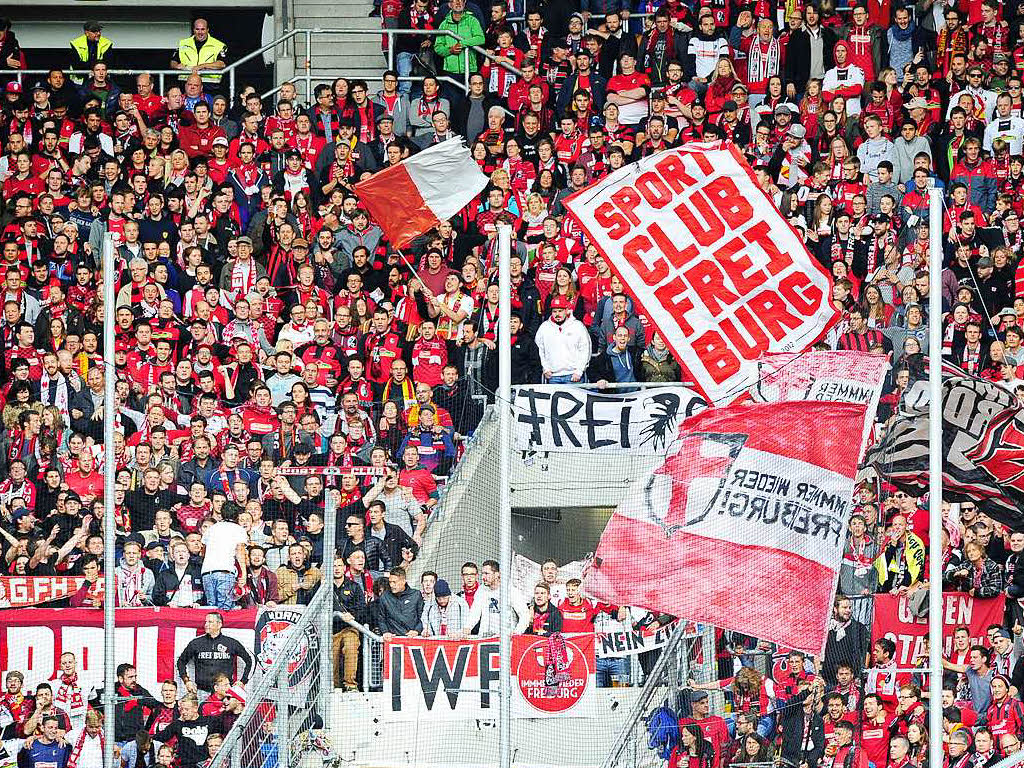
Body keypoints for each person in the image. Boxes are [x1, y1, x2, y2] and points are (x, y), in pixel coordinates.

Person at [175, 612, 253, 699]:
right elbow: (181, 661)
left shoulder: (231, 643)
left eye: (210, 622)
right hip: (202, 693)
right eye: (206, 622)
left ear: (219, 624)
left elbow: (250, 661)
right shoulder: (196, 643)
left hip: (225, 693)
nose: (206, 625)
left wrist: (243, 681)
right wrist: (187, 681)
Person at [171, 18, 226, 84]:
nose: (200, 32)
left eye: (203, 29)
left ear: (207, 30)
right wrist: (176, 66)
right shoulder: (183, 43)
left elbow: (221, 64)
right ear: (193, 30)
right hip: (186, 82)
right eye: (197, 29)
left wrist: (201, 66)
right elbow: (173, 61)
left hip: (209, 83)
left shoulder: (219, 45)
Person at [377, 566, 424, 640]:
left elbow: (423, 617)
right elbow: (381, 618)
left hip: (414, 639)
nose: (391, 585)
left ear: (404, 581)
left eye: (394, 582)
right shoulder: (384, 597)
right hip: (393, 640)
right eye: (390, 582)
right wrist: (385, 632)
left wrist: (417, 630)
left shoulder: (416, 595)